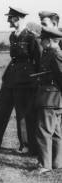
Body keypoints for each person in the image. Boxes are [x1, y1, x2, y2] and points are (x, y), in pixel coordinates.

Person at [0, 7, 40, 153]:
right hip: (10, 77)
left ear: (18, 19)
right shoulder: (12, 36)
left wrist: (36, 81)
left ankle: (26, 146)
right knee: (0, 109)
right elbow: (14, 58)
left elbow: (37, 60)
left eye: (11, 18)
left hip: (25, 80)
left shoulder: (31, 37)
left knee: (23, 113)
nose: (8, 21)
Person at [33, 26, 62, 174]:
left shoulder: (55, 54)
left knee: (44, 131)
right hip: (53, 99)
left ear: (49, 40)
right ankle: (57, 163)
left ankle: (44, 165)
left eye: (42, 40)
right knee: (56, 132)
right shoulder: (51, 52)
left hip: (50, 99)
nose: (40, 43)